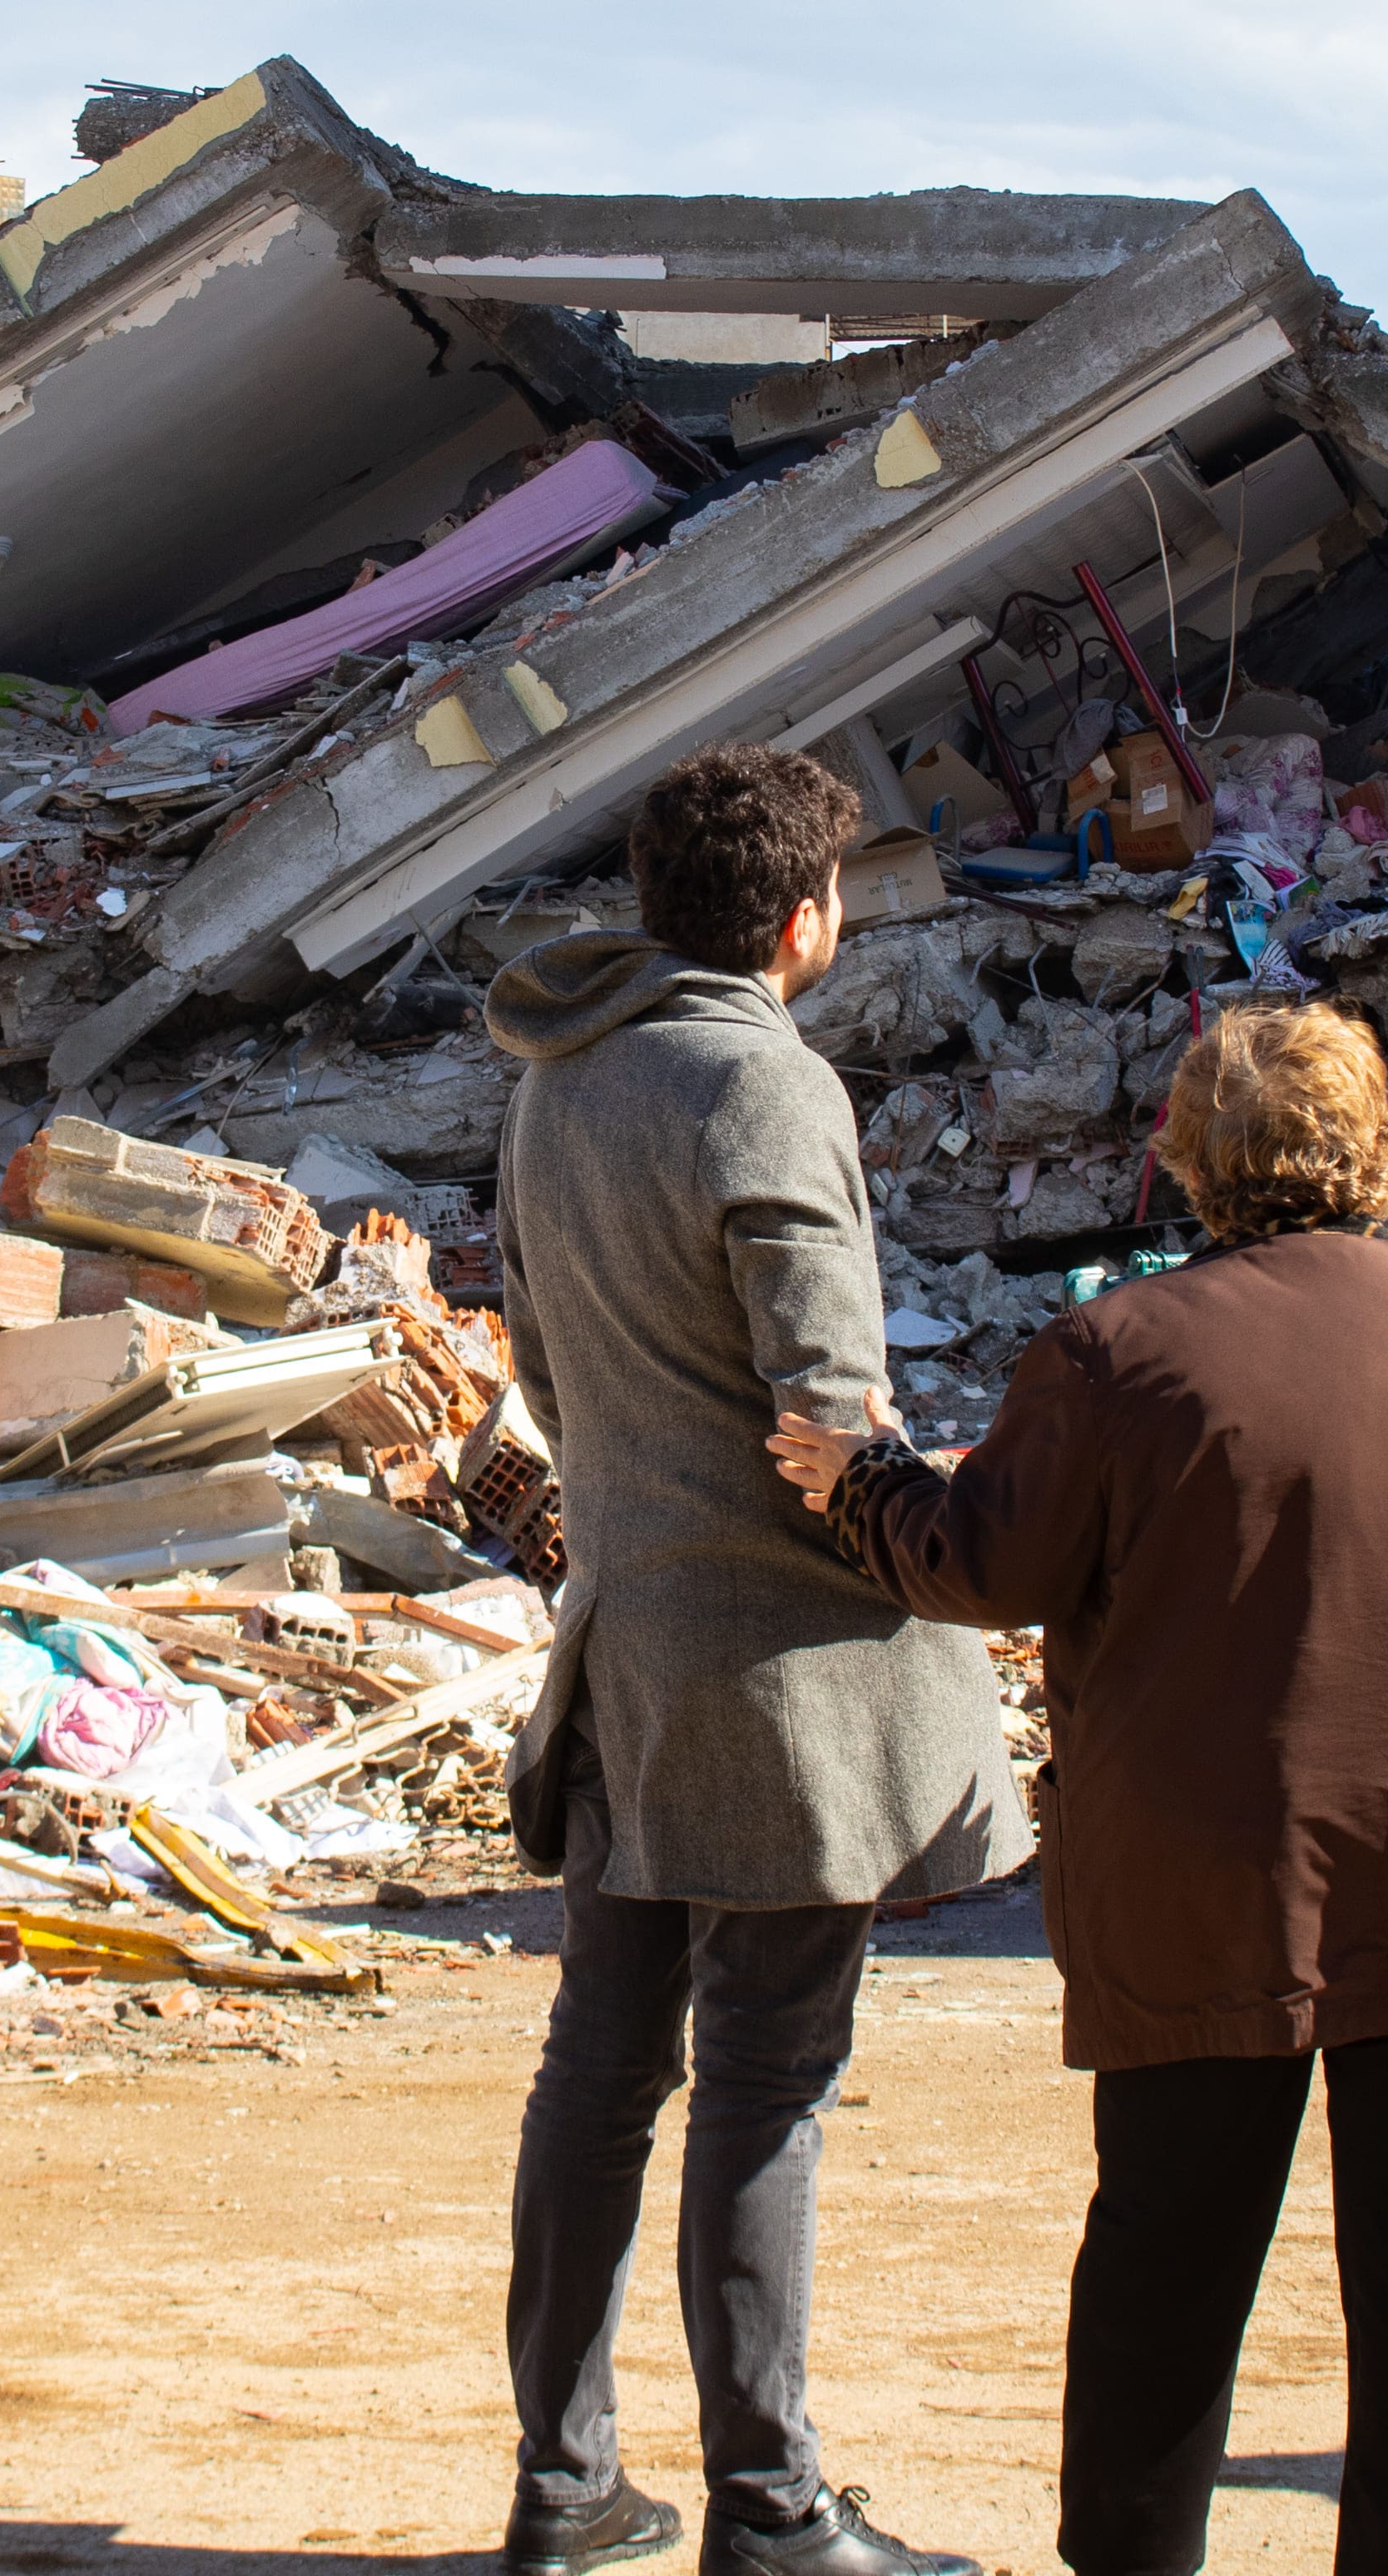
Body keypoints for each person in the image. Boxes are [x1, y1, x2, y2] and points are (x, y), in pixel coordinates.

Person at [781, 1003, 1388, 2576]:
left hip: (1212, 1872)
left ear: (1189, 1164)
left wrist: (867, 1483)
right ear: (1378, 1153)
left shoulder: (1118, 1353)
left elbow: (983, 1561)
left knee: (1168, 2264)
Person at [480, 741, 1023, 2576]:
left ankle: (566, 2491)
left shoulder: (557, 1081)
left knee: (603, 2066)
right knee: (768, 2078)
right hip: (786, 1677)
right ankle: (772, 2511)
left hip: (626, 1647)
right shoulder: (766, 1082)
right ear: (804, 919)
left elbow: (544, 1370)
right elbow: (828, 1399)